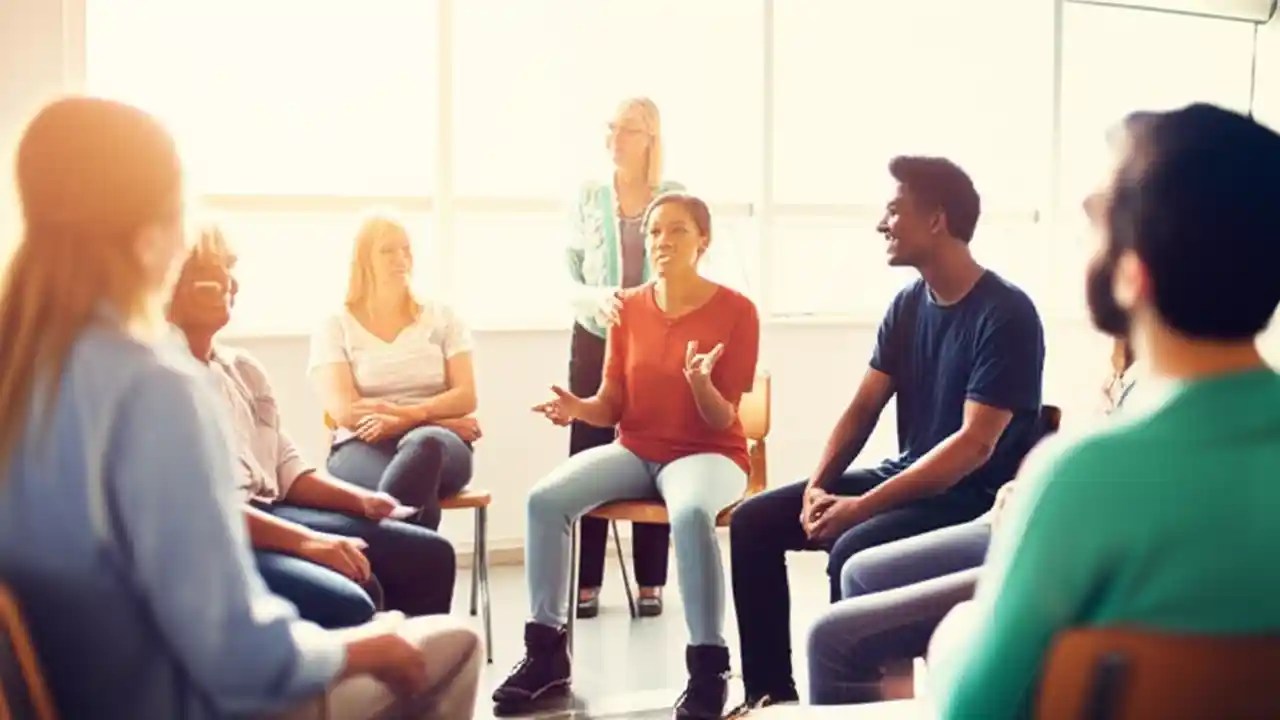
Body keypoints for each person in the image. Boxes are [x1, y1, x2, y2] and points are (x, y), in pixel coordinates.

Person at [0, 97, 480, 719]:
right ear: (151, 237)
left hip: (68, 697)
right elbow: (239, 655)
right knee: (457, 647)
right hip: (179, 701)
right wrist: (365, 647)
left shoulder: (23, 372)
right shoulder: (153, 387)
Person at [929, 103, 1280, 718]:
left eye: (1101, 211)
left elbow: (972, 706)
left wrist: (961, 623)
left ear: (1132, 275)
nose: (1088, 218)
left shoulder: (1080, 476)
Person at [729, 156, 1046, 711]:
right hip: (908, 476)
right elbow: (862, 410)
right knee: (754, 521)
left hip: (966, 498)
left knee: (853, 545)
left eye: (894, 210)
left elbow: (974, 447)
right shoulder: (906, 306)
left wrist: (859, 509)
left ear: (936, 220)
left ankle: (856, 704)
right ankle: (770, 696)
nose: (882, 224)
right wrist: (818, 488)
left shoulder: (1008, 313)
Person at [492, 193, 760, 719]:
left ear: (702, 241)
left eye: (677, 231)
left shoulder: (736, 311)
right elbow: (613, 403)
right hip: (637, 449)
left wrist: (700, 382)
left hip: (710, 454)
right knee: (545, 501)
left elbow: (722, 419)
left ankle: (708, 668)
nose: (662, 242)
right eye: (656, 231)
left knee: (687, 513)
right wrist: (579, 408)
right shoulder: (628, 309)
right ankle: (546, 655)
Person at [805, 337, 1137, 704]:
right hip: (1010, 517)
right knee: (860, 571)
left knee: (832, 637)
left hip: (1042, 543)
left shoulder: (1149, 404)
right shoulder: (1120, 375)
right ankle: (897, 706)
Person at [169, 227, 457, 621]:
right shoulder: (160, 380)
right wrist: (310, 543)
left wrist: (364, 501)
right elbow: (202, 506)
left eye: (229, 269)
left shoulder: (242, 369)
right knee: (357, 590)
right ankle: (373, 670)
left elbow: (285, 467)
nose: (228, 282)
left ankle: (421, 677)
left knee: (430, 556)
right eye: (209, 271)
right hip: (215, 532)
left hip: (269, 508)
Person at [566, 97, 684, 620]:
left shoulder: (674, 196)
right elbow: (567, 272)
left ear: (649, 138)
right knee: (588, 453)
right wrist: (594, 299)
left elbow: (687, 266)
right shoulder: (589, 196)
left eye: (627, 129)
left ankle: (651, 580)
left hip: (655, 340)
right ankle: (587, 580)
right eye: (610, 126)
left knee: (651, 447)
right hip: (594, 335)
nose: (614, 136)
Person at [310, 215, 478, 531]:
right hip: (360, 444)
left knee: (424, 448)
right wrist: (437, 417)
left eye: (406, 249)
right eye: (388, 251)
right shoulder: (335, 325)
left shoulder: (443, 317)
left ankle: (385, 573)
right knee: (412, 486)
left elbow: (466, 395)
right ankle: (421, 574)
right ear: (363, 260)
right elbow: (345, 411)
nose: (401, 259)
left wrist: (408, 419)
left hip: (438, 444)